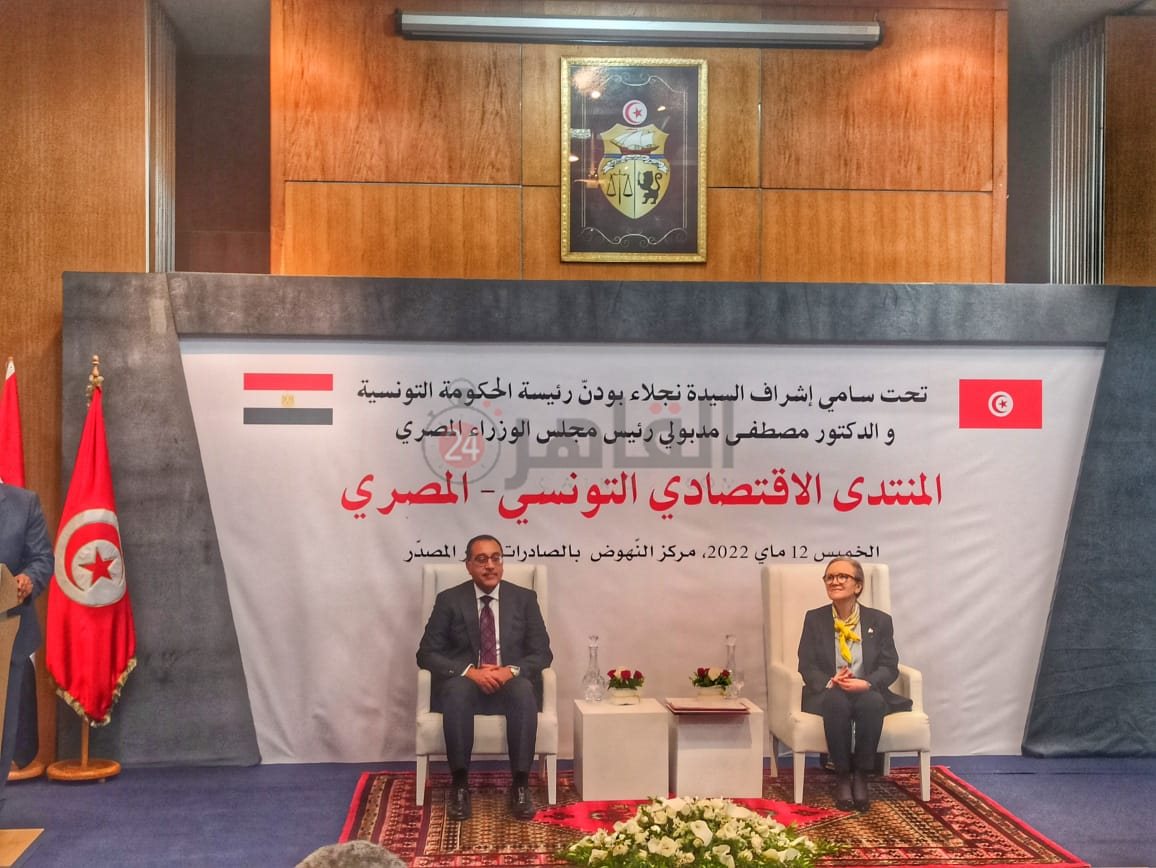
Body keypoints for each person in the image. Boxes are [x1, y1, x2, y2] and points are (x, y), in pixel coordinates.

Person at [416, 534, 552, 821]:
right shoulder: (449, 600)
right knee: (456, 690)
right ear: (468, 565)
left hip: (509, 684)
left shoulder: (524, 599)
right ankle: (459, 785)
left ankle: (520, 785)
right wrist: (470, 672)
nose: (490, 565)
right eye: (481, 559)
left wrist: (509, 670)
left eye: (495, 558)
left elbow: (542, 654)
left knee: (523, 689)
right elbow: (426, 654)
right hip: (466, 686)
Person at [797, 557, 911, 812]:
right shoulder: (815, 619)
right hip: (830, 690)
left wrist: (867, 683)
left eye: (842, 577)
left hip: (865, 689)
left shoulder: (879, 621)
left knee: (873, 702)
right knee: (835, 701)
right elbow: (807, 664)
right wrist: (830, 681)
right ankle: (841, 776)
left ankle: (861, 774)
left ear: (858, 586)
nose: (834, 581)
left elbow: (889, 666)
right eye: (829, 577)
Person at [0, 483, 53, 816]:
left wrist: (29, 580)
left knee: (3, 729)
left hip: (9, 633)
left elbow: (42, 559)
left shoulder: (24, 503)